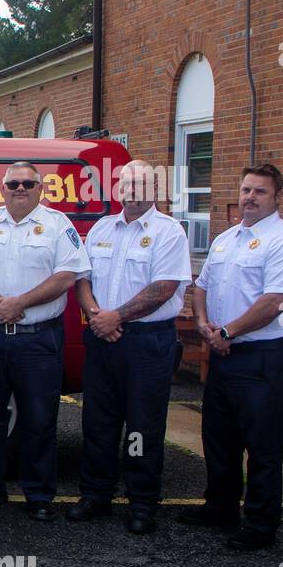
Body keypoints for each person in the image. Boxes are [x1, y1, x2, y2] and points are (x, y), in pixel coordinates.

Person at [181, 163, 283, 550]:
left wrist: (228, 332)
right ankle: (220, 507)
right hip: (223, 350)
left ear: (276, 198)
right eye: (246, 190)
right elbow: (201, 285)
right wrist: (205, 325)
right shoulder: (226, 239)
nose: (250, 197)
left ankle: (260, 524)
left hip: (263, 355)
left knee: (262, 442)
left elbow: (274, 302)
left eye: (259, 192)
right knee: (219, 435)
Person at [0, 162, 91, 521]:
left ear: (39, 188)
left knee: (39, 419)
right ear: (3, 188)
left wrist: (20, 303)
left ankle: (39, 494)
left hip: (37, 340)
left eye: (27, 183)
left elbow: (66, 276)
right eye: (13, 183)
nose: (20, 188)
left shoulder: (59, 225)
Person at [71, 160, 190, 534]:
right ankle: (96, 495)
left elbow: (164, 288)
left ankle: (141, 501)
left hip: (146, 343)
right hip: (103, 338)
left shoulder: (168, 232)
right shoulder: (102, 228)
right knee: (98, 422)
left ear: (153, 188)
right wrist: (95, 315)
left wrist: (115, 317)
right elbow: (82, 279)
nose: (130, 189)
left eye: (139, 183)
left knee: (142, 426)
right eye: (124, 183)